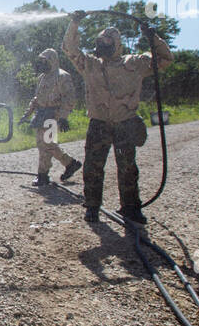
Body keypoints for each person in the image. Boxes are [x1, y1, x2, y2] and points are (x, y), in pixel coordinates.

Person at [62, 18, 171, 224]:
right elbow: (69, 48)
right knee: (93, 167)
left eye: (107, 41)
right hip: (99, 124)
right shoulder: (90, 64)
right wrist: (74, 25)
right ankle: (92, 207)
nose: (101, 44)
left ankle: (131, 208)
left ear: (117, 44)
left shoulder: (135, 63)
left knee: (127, 168)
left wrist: (152, 37)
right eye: (99, 40)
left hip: (125, 124)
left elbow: (165, 59)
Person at [20, 48, 81, 187]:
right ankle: (70, 163)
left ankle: (42, 175)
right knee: (46, 144)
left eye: (44, 60)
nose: (42, 63)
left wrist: (63, 117)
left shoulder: (62, 76)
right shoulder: (42, 78)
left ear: (52, 60)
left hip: (53, 115)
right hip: (41, 115)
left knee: (46, 145)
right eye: (41, 60)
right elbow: (36, 99)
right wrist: (27, 114)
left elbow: (69, 98)